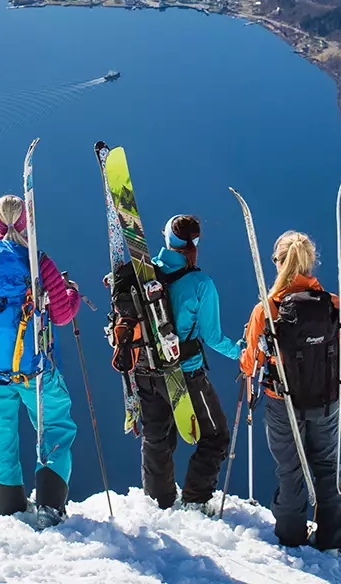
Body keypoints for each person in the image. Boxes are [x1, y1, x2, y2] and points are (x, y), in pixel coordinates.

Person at [0, 194, 82, 524]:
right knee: (54, 427)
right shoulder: (37, 261)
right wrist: (70, 291)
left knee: (2, 434)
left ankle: (9, 508)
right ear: (27, 222)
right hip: (35, 370)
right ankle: (49, 505)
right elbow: (60, 314)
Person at [239, 230, 341, 550]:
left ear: (278, 263)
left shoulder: (267, 310)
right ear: (310, 263)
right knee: (327, 467)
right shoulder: (334, 303)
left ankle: (291, 536)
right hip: (327, 402)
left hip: (283, 405)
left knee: (290, 470)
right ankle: (332, 539)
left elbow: (250, 365)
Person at [137, 214, 243, 510]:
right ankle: (195, 500)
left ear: (166, 238)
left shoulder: (143, 273)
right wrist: (241, 352)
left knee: (156, 437)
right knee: (215, 436)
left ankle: (159, 503)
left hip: (146, 369)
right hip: (185, 373)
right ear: (194, 243)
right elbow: (212, 336)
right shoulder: (200, 283)